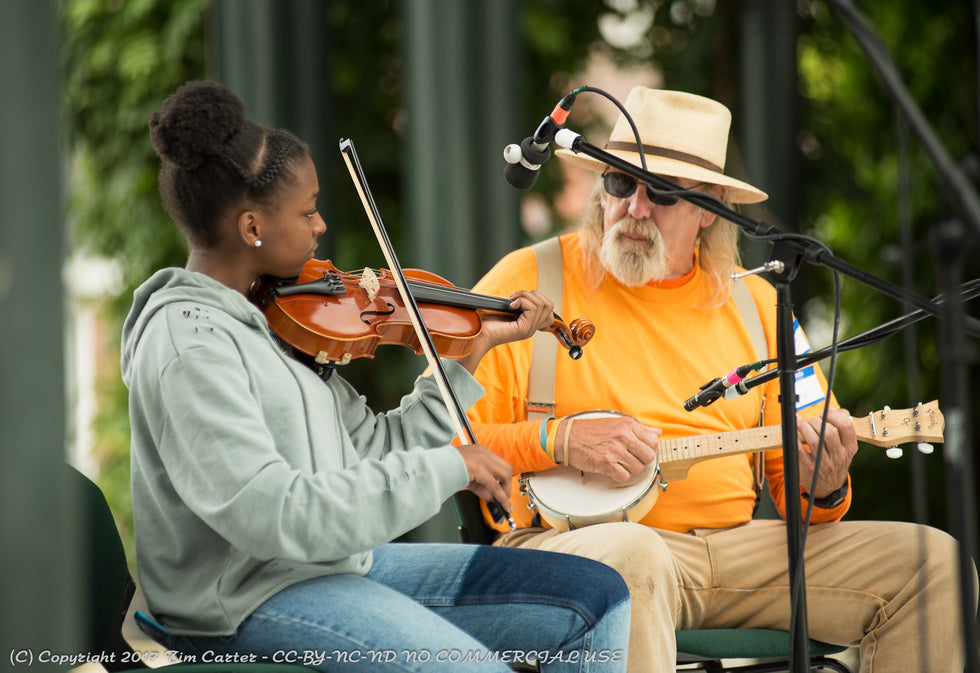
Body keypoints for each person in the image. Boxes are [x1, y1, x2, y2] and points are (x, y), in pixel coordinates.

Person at [120, 80, 632, 673]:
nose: (319, 228)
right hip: (240, 603)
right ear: (251, 225)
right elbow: (275, 514)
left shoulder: (271, 321)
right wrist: (451, 466)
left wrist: (476, 346)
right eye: (307, 210)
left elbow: (375, 447)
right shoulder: (190, 344)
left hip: (331, 567)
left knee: (595, 599)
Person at [467, 86, 976, 673]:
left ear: (710, 208)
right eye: (619, 183)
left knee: (935, 563)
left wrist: (825, 483)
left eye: (661, 192)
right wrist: (555, 442)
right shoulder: (530, 280)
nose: (635, 209)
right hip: (568, 548)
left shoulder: (760, 305)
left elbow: (802, 495)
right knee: (637, 555)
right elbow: (446, 440)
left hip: (736, 551)